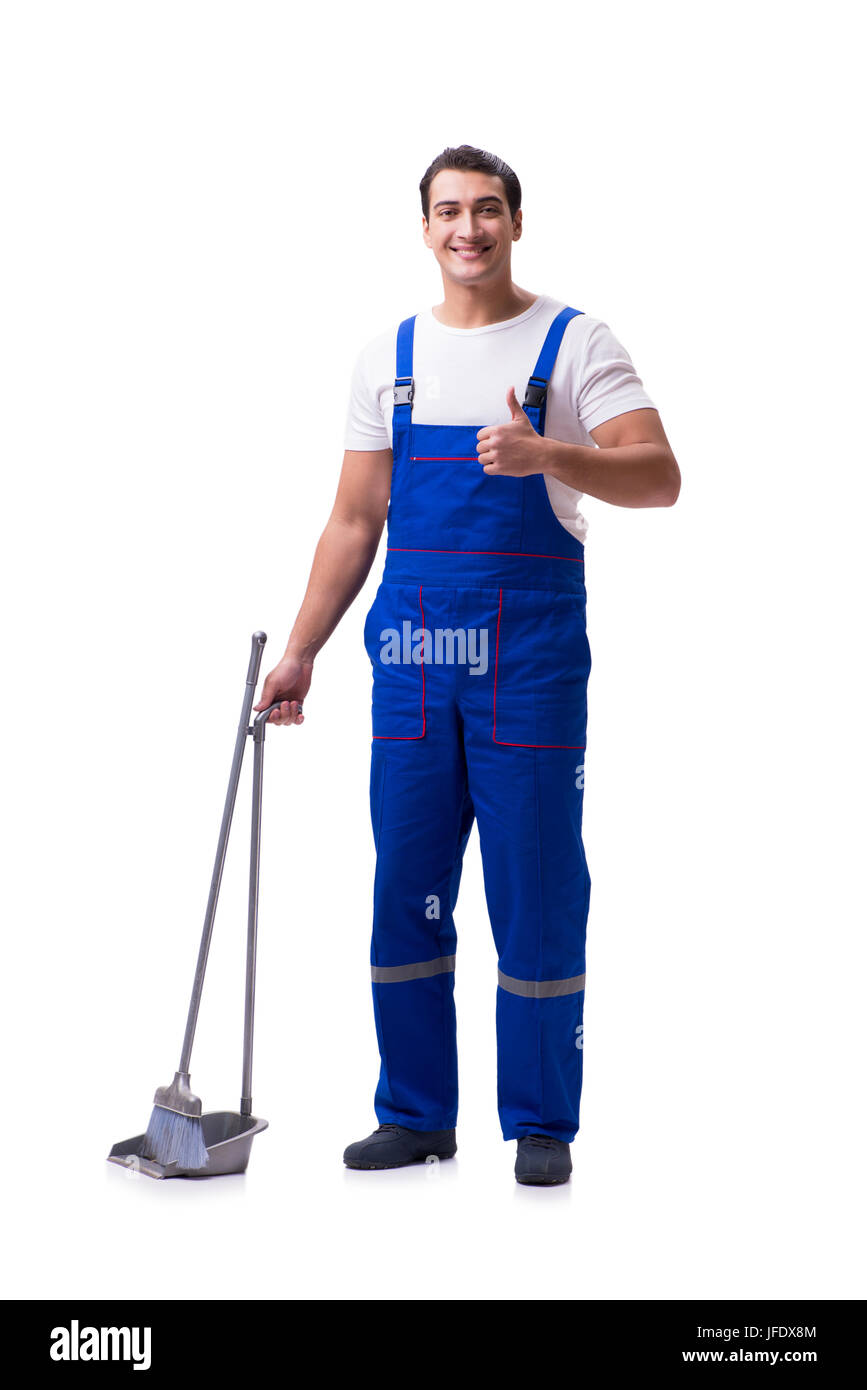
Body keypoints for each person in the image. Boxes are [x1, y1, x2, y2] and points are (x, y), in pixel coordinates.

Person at [254, 144, 680, 1186]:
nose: (469, 230)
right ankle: (414, 1113)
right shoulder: (387, 357)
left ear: (516, 221)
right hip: (409, 657)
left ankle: (541, 1121)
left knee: (534, 886)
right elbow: (356, 521)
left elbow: (661, 475)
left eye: (488, 210)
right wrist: (301, 650)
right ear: (426, 227)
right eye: (449, 211)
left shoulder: (576, 344)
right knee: (408, 879)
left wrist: (553, 457)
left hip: (527, 660)